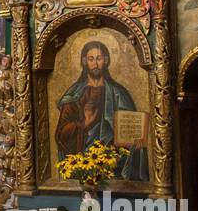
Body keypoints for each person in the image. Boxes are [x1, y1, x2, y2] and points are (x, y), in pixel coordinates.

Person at [55, 40, 146, 180]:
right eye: (91, 59)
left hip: (112, 163)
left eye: (99, 58)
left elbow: (131, 128)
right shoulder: (74, 94)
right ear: (84, 61)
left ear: (106, 60)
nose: (95, 64)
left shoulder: (118, 93)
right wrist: (82, 124)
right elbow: (61, 134)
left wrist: (136, 140)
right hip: (81, 162)